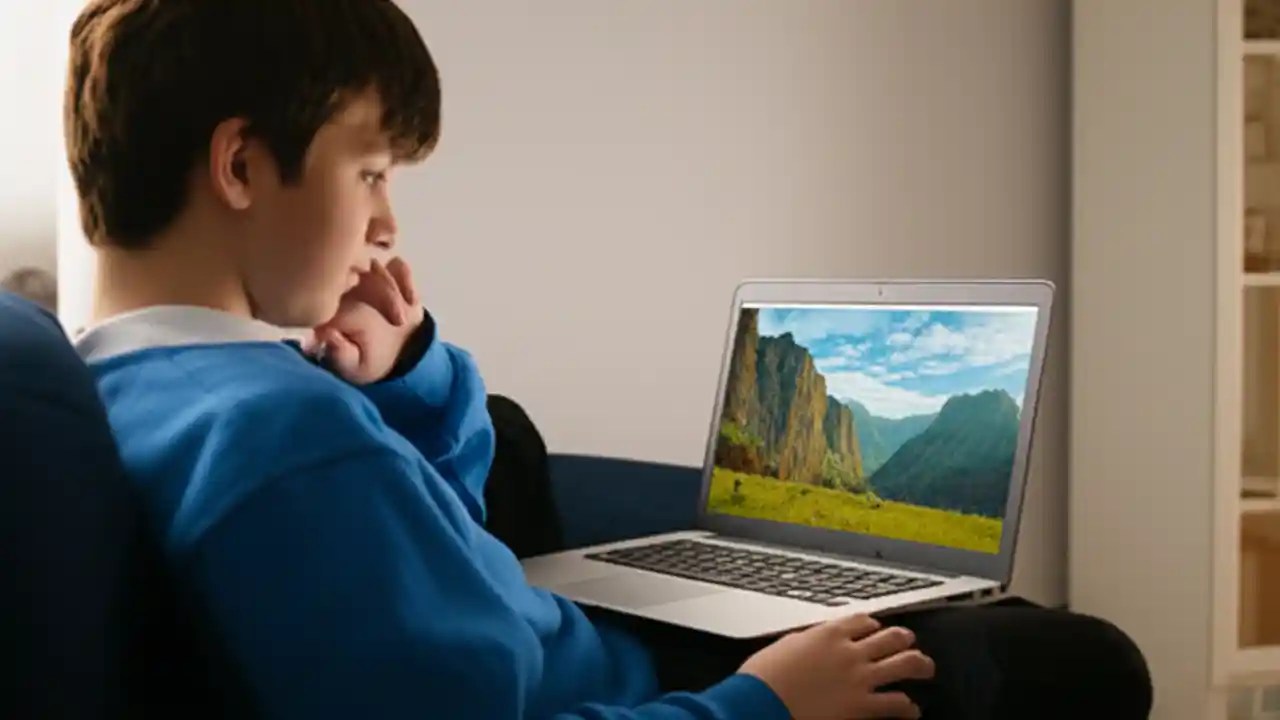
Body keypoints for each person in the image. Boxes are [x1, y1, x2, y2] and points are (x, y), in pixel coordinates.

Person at [63, 1, 1153, 718]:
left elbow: (432, 563)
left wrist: (397, 382)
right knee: (1084, 662)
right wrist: (762, 703)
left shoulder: (128, 391)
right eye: (374, 171)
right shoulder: (284, 436)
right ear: (243, 163)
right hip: (647, 695)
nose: (387, 223)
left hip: (575, 650)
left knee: (511, 431)